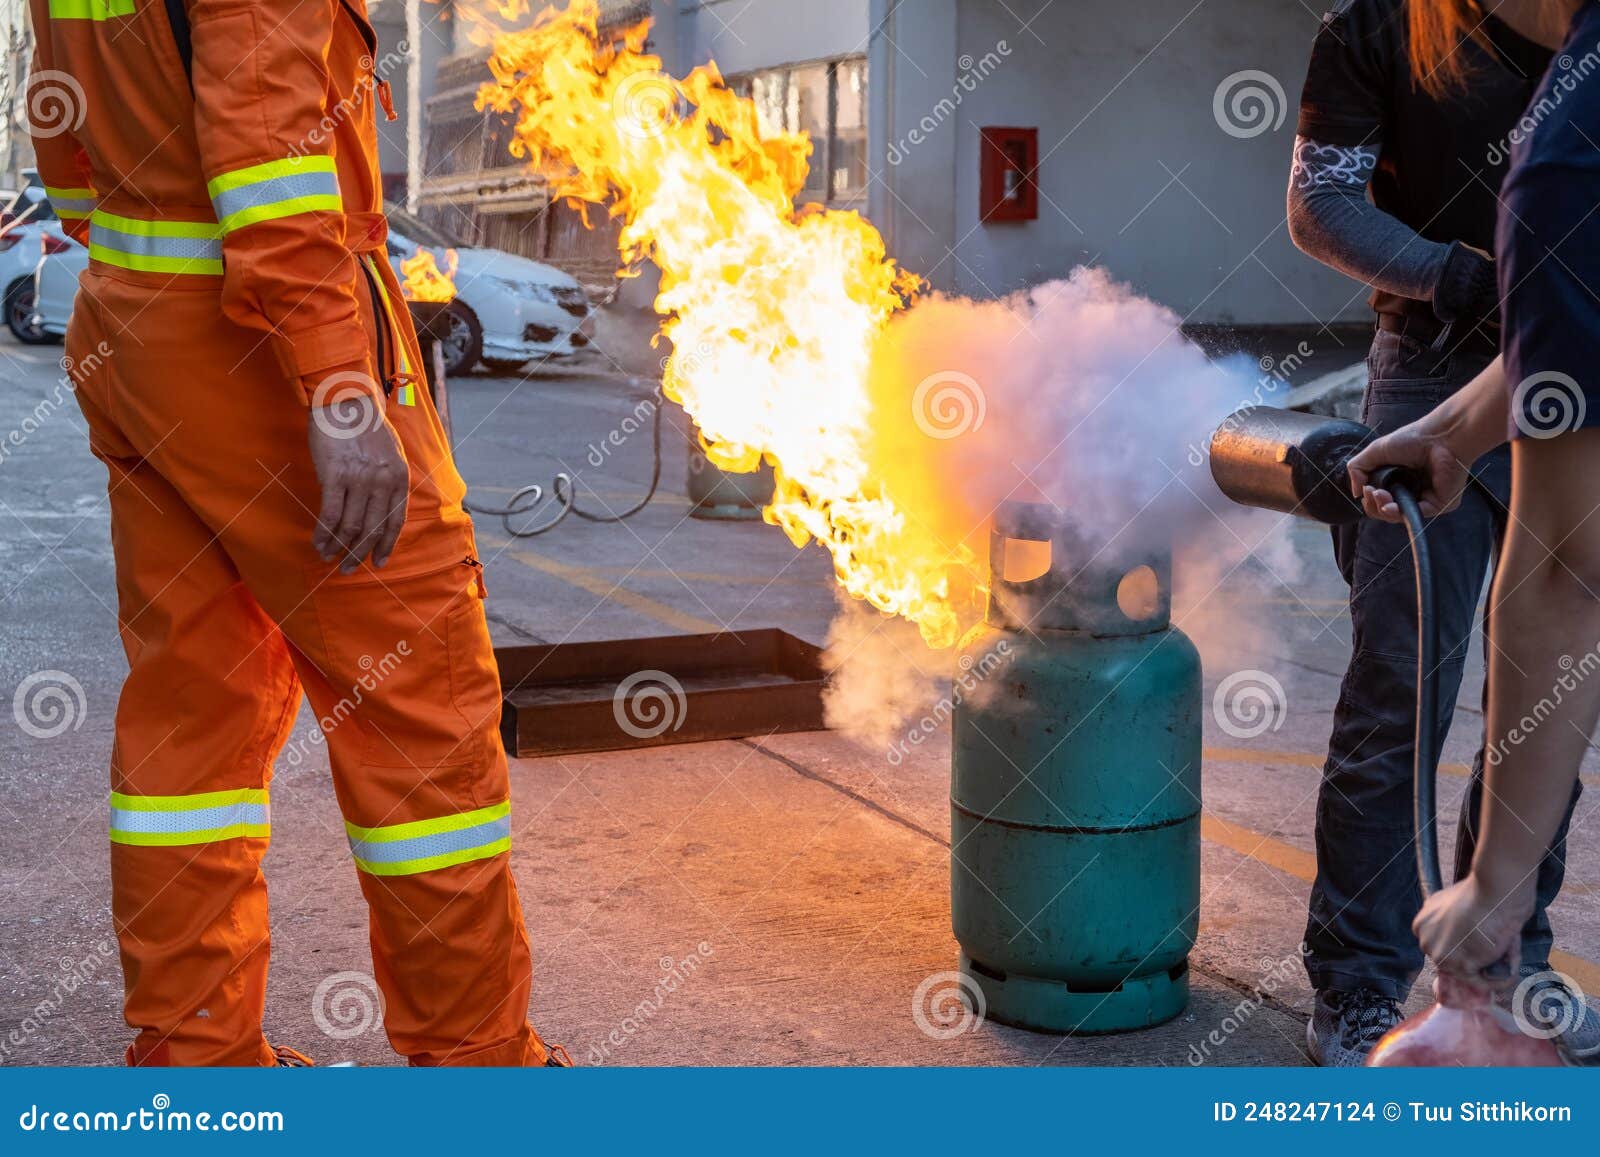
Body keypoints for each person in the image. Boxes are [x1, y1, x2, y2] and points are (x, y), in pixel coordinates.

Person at [26, 0, 566, 1066]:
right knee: (421, 711)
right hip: (264, 353)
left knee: (194, 714)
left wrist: (156, 270)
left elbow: (68, 147)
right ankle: (477, 1068)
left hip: (138, 328)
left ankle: (195, 1061)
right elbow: (271, 159)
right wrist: (340, 384)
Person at [1286, 0, 1591, 1064]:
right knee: (1400, 693)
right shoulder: (1373, 25)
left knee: (1545, 686)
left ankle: (1505, 972)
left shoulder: (1577, 51)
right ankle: (1357, 984)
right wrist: (1463, 277)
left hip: (1564, 346)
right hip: (1436, 356)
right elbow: (1320, 205)